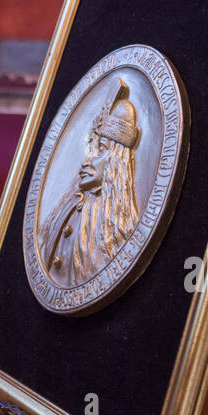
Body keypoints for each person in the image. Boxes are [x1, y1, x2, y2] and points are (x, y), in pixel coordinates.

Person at [39, 79, 140, 287]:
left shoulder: (120, 230)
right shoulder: (68, 205)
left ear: (117, 163)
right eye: (91, 150)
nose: (87, 161)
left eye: (100, 150)